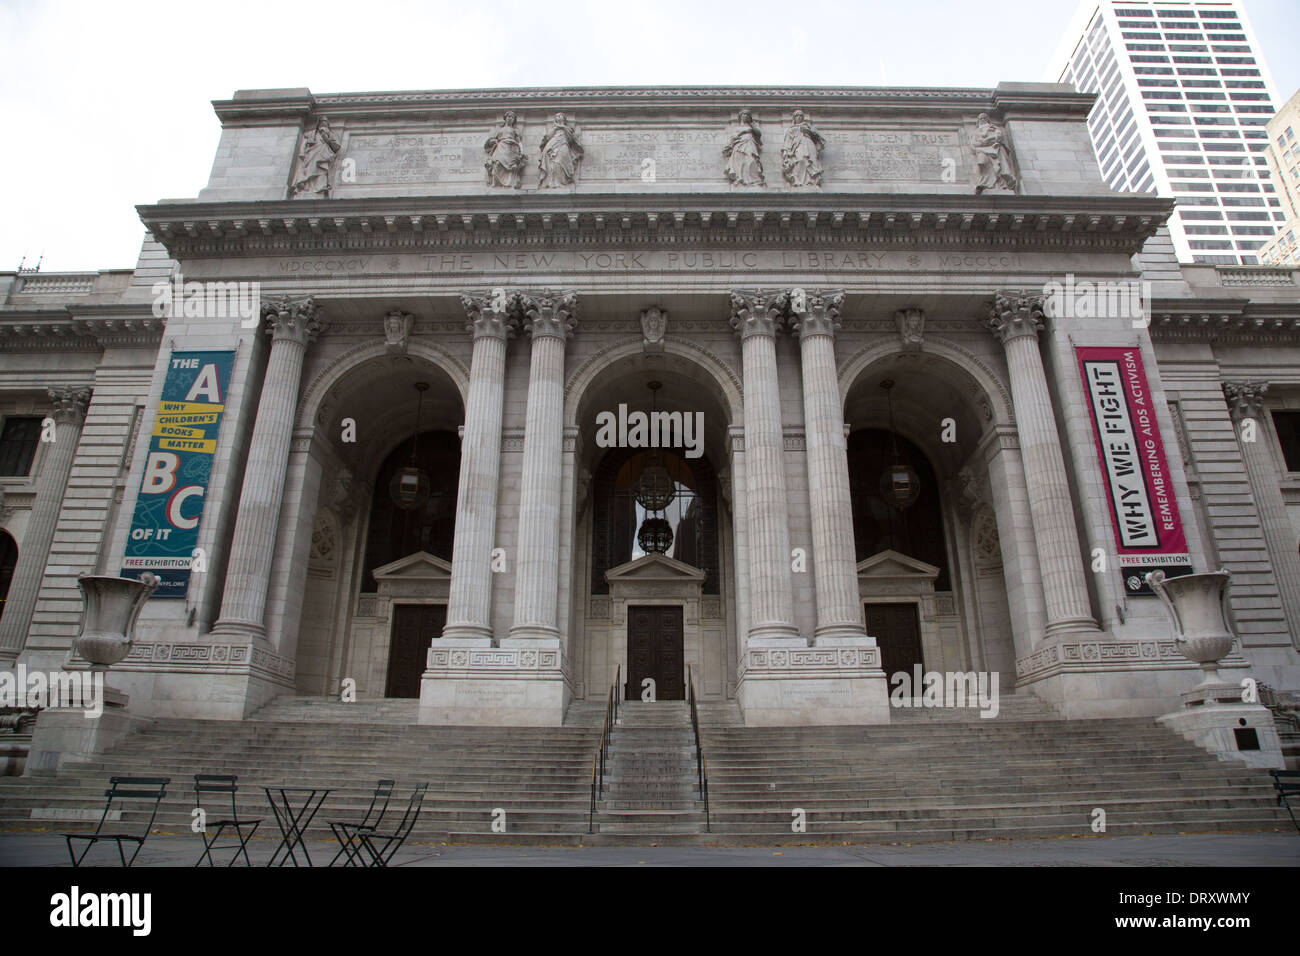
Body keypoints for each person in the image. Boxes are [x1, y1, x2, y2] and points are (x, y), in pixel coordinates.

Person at [290, 117, 341, 198]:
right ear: (318, 124)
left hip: (324, 153)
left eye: (325, 122)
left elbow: (336, 147)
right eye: (322, 122)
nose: (324, 123)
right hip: (312, 153)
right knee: (310, 168)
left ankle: (320, 188)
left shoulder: (332, 134)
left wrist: (326, 139)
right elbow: (304, 143)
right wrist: (302, 152)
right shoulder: (312, 134)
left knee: (322, 169)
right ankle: (307, 186)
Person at [972, 113, 1017, 194]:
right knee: (981, 163)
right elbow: (973, 144)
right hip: (981, 149)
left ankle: (997, 183)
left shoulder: (994, 128)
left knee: (996, 166)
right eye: (981, 118)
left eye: (984, 118)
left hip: (994, 148)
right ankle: (984, 182)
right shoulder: (976, 131)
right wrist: (982, 142)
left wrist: (989, 139)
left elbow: (999, 136)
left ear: (987, 119)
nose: (982, 120)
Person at [781, 110, 825, 187]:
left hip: (809, 143)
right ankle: (800, 181)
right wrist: (786, 153)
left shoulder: (808, 127)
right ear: (794, 118)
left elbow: (819, 139)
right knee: (801, 160)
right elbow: (787, 142)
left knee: (812, 161)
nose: (799, 117)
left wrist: (809, 131)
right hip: (798, 146)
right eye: (797, 115)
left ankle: (811, 181)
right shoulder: (791, 129)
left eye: (801, 115)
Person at [538, 113, 583, 187]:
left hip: (563, 144)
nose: (558, 117)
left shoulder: (568, 128)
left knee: (560, 160)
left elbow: (571, 138)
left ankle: (561, 181)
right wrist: (556, 128)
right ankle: (552, 182)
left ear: (564, 119)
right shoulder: (554, 128)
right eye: (557, 116)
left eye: (560, 116)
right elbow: (548, 137)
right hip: (553, 144)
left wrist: (563, 127)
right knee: (552, 162)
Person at [484, 111, 527, 188]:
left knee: (512, 166)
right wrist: (492, 141)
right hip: (501, 146)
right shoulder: (499, 129)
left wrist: (521, 152)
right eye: (509, 116)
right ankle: (495, 182)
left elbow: (519, 141)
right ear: (505, 118)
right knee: (497, 163)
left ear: (514, 120)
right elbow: (490, 141)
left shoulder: (515, 130)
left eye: (512, 117)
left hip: (512, 148)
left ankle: (510, 183)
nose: (510, 118)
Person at [723, 109, 764, 186]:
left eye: (747, 115)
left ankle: (753, 180)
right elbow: (732, 138)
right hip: (739, 146)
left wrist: (752, 126)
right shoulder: (736, 128)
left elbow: (758, 134)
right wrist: (743, 132)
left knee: (751, 160)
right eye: (743, 114)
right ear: (740, 117)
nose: (745, 116)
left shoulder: (752, 127)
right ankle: (740, 179)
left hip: (750, 144)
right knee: (740, 162)